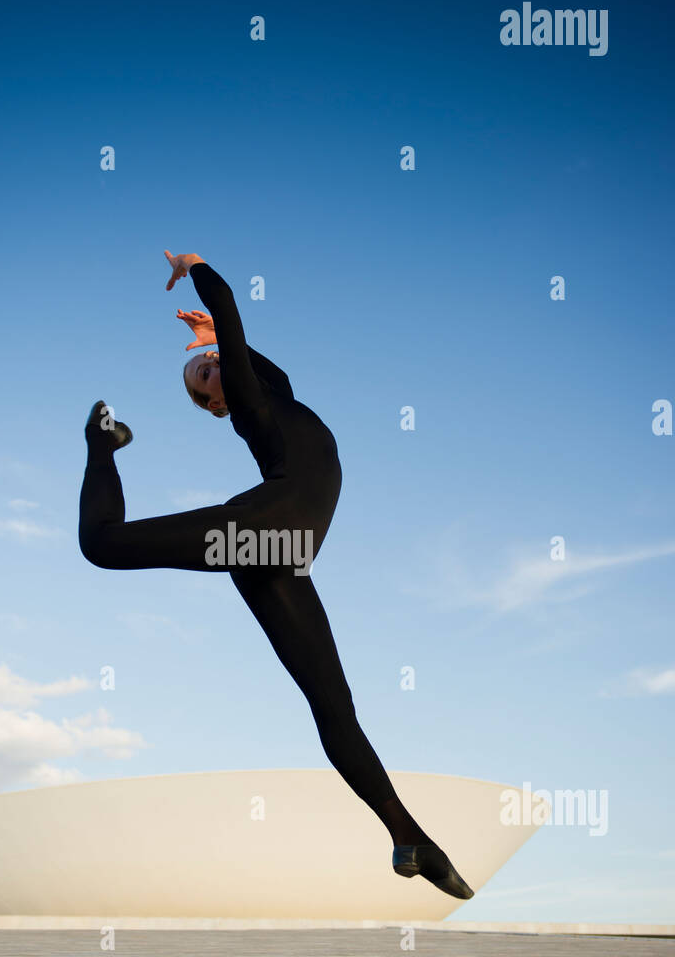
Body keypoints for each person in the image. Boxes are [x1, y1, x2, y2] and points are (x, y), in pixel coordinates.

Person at [78, 250, 474, 899]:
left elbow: (263, 362)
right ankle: (103, 444)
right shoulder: (252, 411)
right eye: (202, 374)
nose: (210, 366)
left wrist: (217, 340)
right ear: (214, 404)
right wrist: (197, 266)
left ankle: (411, 838)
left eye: (207, 361)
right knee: (102, 544)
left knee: (334, 706)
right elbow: (229, 306)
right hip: (260, 529)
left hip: (282, 553)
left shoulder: (277, 396)